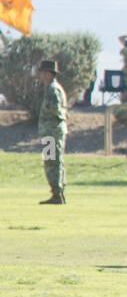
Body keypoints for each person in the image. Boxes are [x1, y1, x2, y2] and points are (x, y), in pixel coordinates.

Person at [36, 60, 68, 205]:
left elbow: (55, 107)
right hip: (54, 131)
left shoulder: (52, 89)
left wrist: (58, 117)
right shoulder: (54, 87)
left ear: (48, 74)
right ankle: (58, 192)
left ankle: (56, 193)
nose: (40, 75)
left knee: (51, 161)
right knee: (55, 160)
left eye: (42, 72)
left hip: (51, 131)